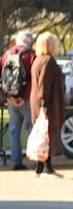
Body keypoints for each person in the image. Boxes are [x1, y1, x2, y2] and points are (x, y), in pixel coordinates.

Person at [28, 32, 65, 178]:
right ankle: (47, 168)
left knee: (41, 134)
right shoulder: (49, 61)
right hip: (47, 102)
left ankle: (39, 167)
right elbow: (44, 83)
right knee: (47, 134)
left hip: (37, 101)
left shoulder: (37, 60)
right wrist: (44, 103)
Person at [1, 31, 36, 170]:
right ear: (29, 42)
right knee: (32, 130)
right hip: (26, 100)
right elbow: (34, 79)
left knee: (14, 131)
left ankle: (16, 162)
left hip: (11, 99)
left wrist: (7, 97)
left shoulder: (6, 55)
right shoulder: (31, 54)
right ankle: (35, 161)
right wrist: (25, 97)